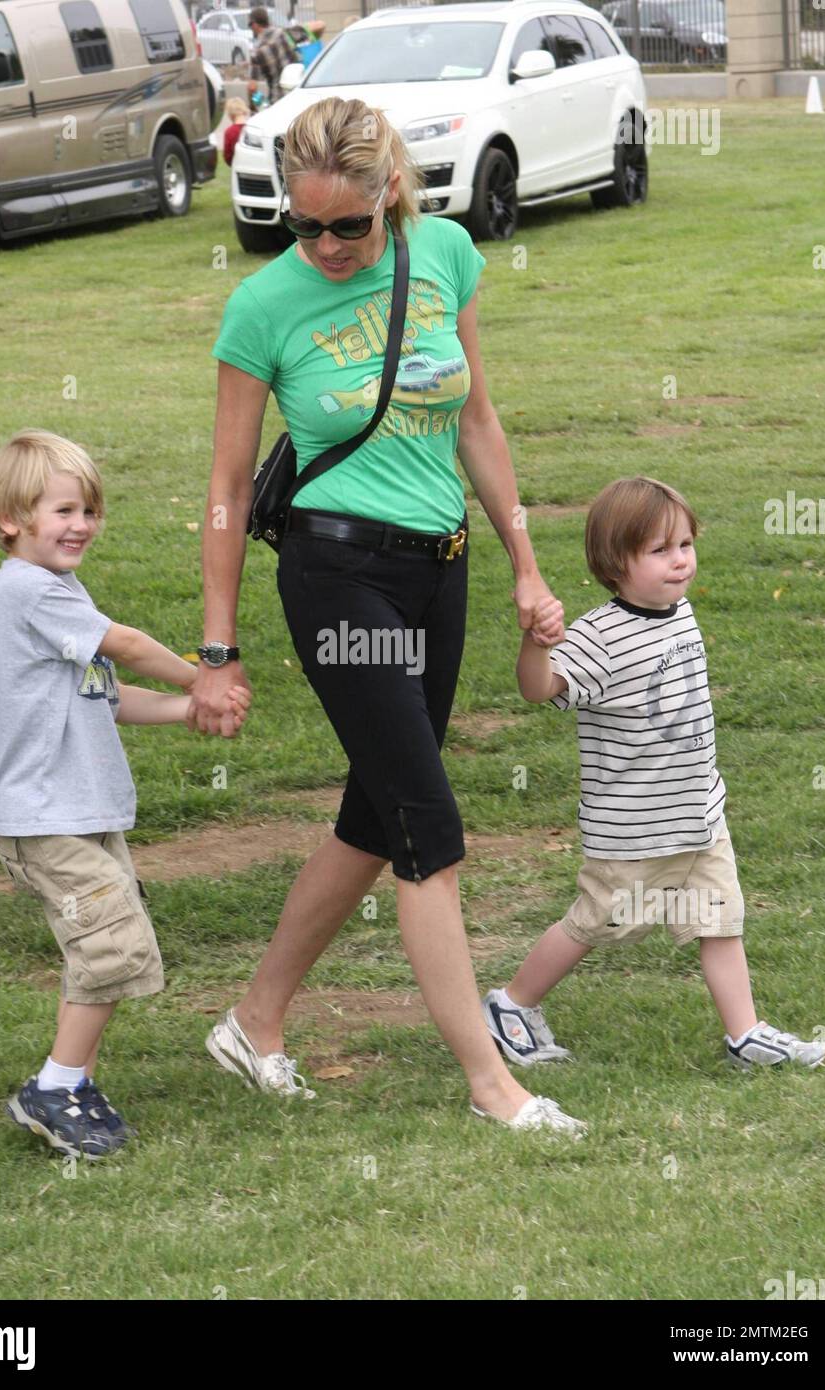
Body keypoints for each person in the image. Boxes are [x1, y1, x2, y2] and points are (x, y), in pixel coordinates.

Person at [190, 96, 585, 1135]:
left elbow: (478, 420)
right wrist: (216, 645)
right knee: (427, 830)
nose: (322, 244)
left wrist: (523, 563)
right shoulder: (263, 308)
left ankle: (253, 1020)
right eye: (300, 223)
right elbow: (229, 484)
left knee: (375, 816)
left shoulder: (446, 256)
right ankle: (491, 1085)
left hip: (438, 568)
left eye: (345, 225)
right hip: (334, 578)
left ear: (390, 197)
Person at [485, 476, 825, 1072]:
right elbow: (537, 689)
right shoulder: (600, 636)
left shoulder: (679, 613)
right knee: (594, 923)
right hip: (636, 829)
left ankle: (744, 1034)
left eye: (686, 545)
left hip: (699, 813)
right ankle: (511, 1005)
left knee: (719, 917)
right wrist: (536, 644)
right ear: (614, 563)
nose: (680, 561)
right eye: (660, 550)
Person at [0, 430, 248, 1159]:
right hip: (46, 819)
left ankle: (71, 1085)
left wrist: (185, 712)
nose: (81, 525)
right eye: (64, 509)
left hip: (79, 811)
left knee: (103, 949)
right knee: (113, 947)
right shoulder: (29, 590)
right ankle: (56, 1087)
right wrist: (204, 676)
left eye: (90, 510)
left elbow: (105, 691)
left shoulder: (58, 591)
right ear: (11, 519)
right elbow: (123, 646)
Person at [246, 5, 298, 106]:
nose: (251, 28)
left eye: (250, 25)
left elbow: (252, 87)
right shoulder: (283, 33)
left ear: (255, 24)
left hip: (278, 99)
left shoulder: (257, 52)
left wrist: (253, 106)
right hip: (297, 91)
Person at [221, 96, 251, 166]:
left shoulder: (229, 132)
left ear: (230, 114)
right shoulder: (253, 128)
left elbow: (228, 157)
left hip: (239, 167)